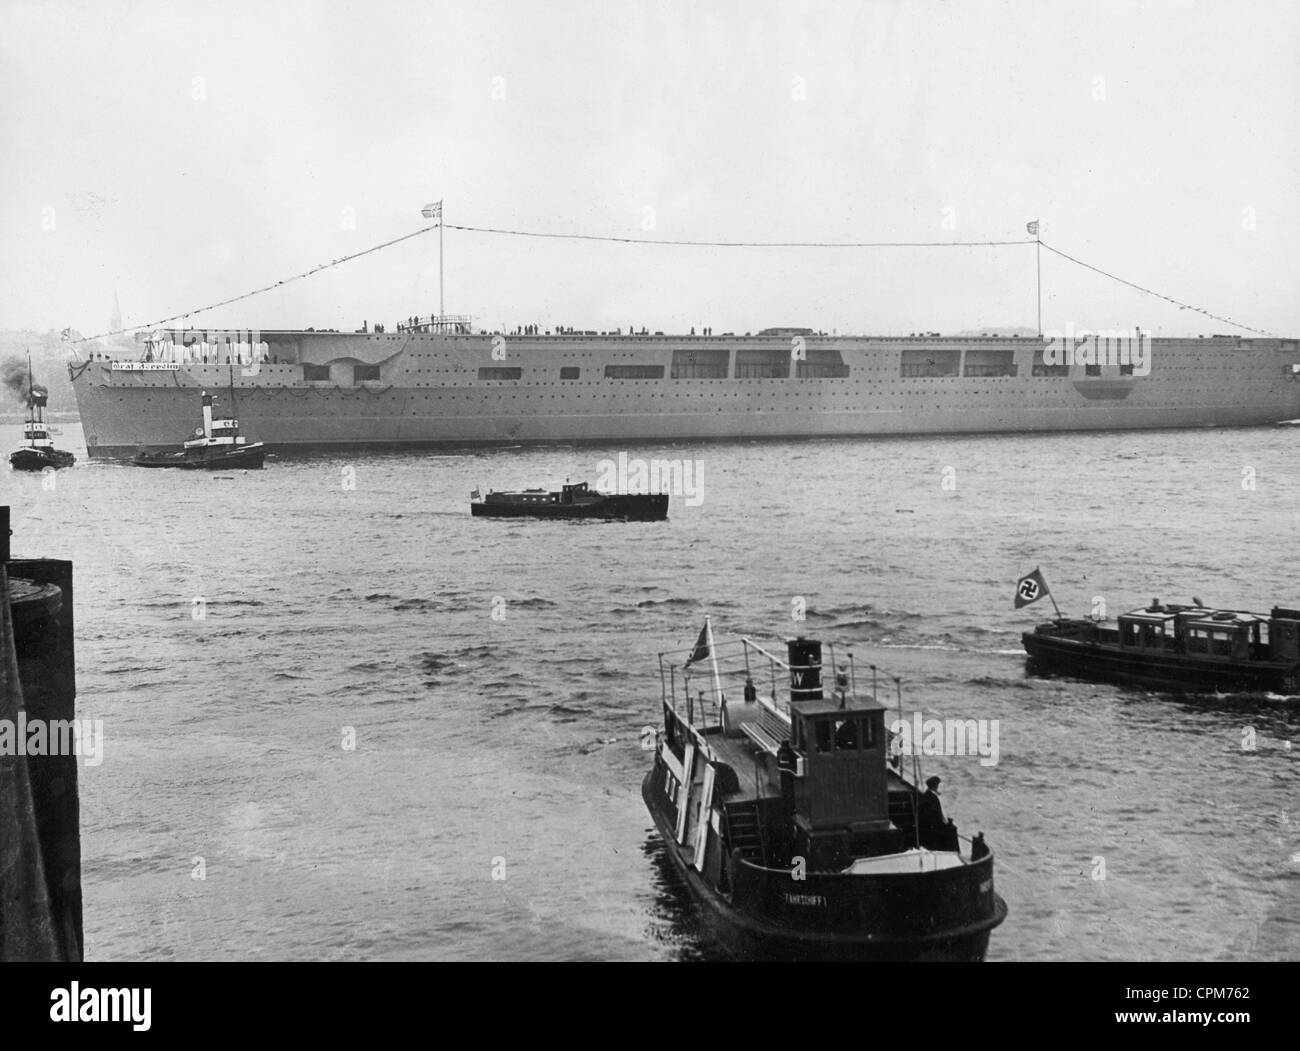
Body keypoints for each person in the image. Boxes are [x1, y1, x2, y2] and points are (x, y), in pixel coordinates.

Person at [917, 776, 944, 846]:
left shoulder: (926, 795)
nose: (937, 787)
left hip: (926, 826)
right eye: (937, 785)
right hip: (931, 827)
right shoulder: (933, 797)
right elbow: (936, 813)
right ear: (934, 786)